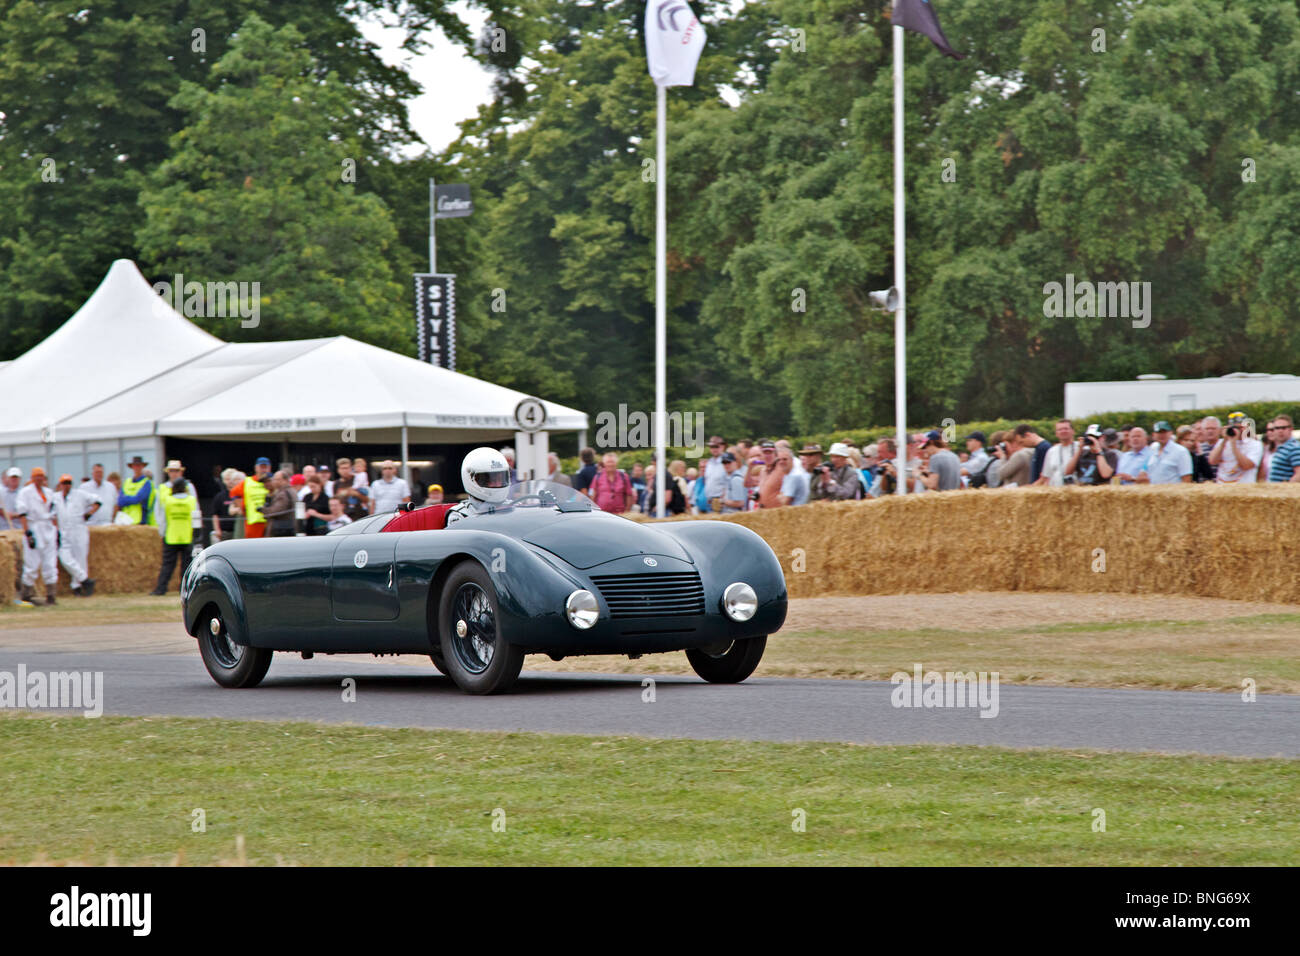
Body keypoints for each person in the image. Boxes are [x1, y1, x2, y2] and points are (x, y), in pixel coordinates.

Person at [15, 467, 60, 604]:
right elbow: (22, 512)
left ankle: (51, 595)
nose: (40, 479)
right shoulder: (25, 493)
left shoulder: (49, 493)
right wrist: (27, 532)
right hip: (34, 527)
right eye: (37, 476)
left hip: (48, 528)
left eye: (42, 476)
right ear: (32, 478)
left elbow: (54, 513)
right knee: (32, 563)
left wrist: (57, 532)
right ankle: (26, 593)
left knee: (50, 564)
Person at [150, 477, 200, 594]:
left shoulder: (168, 500)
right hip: (187, 536)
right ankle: (185, 589)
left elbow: (163, 519)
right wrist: (196, 534)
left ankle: (161, 589)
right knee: (187, 565)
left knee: (167, 565)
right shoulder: (191, 500)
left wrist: (162, 533)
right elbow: (196, 518)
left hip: (171, 536)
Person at [52, 474, 98, 596]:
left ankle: (77, 587)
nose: (66, 485)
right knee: (65, 557)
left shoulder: (80, 494)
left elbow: (98, 501)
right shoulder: (55, 497)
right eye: (64, 483)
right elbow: (52, 514)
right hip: (64, 531)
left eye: (68, 483)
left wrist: (90, 513)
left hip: (79, 530)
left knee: (80, 559)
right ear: (60, 485)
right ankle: (85, 580)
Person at [445, 447, 512, 526]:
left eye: (500, 479)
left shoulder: (514, 508)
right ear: (470, 478)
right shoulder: (461, 515)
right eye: (491, 480)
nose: (497, 484)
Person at [1208, 411, 1262, 483]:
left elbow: (1246, 466)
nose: (1237, 430)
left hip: (1243, 488)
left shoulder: (1254, 444)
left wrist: (1233, 444)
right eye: (1234, 427)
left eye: (1239, 427)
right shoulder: (1222, 442)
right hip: (1222, 488)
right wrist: (1225, 440)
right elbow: (1212, 461)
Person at [1036, 420, 1078, 487]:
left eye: (1066, 429)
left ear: (1073, 431)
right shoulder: (1052, 451)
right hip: (1057, 493)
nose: (1063, 431)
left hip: (1078, 490)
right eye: (1060, 429)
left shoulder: (1081, 448)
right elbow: (1046, 476)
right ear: (1056, 434)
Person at [117, 455, 156, 526]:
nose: (136, 468)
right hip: (126, 520)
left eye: (139, 465)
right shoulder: (127, 482)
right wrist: (133, 499)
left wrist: (126, 498)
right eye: (135, 465)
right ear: (132, 467)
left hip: (140, 520)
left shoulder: (146, 483)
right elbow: (120, 501)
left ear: (142, 467)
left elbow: (139, 499)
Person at [260, 471, 298, 537]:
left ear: (285, 480)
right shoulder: (292, 491)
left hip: (282, 530)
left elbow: (275, 511)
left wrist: (263, 510)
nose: (274, 482)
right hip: (289, 528)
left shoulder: (283, 493)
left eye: (277, 479)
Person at [699, 435, 728, 513]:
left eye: (716, 446)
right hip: (709, 501)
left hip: (722, 502)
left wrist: (723, 499)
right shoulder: (709, 462)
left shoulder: (727, 462)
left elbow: (729, 481)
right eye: (712, 447)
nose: (714, 449)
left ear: (723, 446)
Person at [1267, 416, 1300, 481]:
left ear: (1291, 429)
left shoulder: (1294, 448)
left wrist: (1286, 489)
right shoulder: (1282, 447)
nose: (1280, 431)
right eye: (1277, 428)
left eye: (1283, 428)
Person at [210, 469, 239, 542]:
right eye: (227, 479)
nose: (230, 481)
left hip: (239, 530)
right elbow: (215, 514)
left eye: (231, 478)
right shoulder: (219, 496)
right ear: (223, 481)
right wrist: (217, 530)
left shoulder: (241, 494)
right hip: (225, 532)